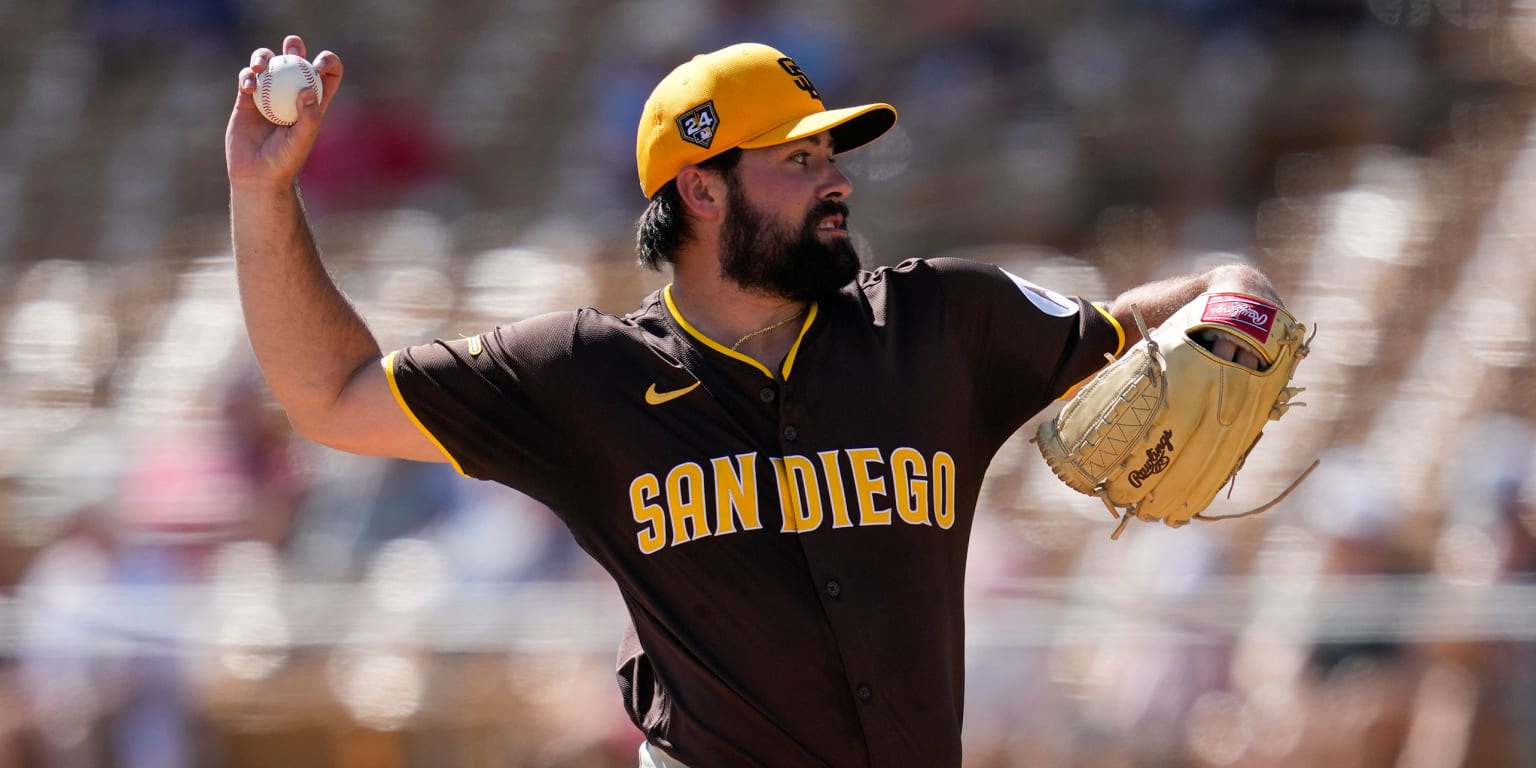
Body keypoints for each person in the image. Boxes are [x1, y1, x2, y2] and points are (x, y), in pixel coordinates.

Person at [227, 35, 1284, 768]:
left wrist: (1231, 285)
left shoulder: (937, 322)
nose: (837, 180)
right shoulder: (585, 377)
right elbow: (329, 394)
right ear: (700, 188)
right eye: (797, 159)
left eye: (831, 153)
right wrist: (264, 195)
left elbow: (1127, 324)